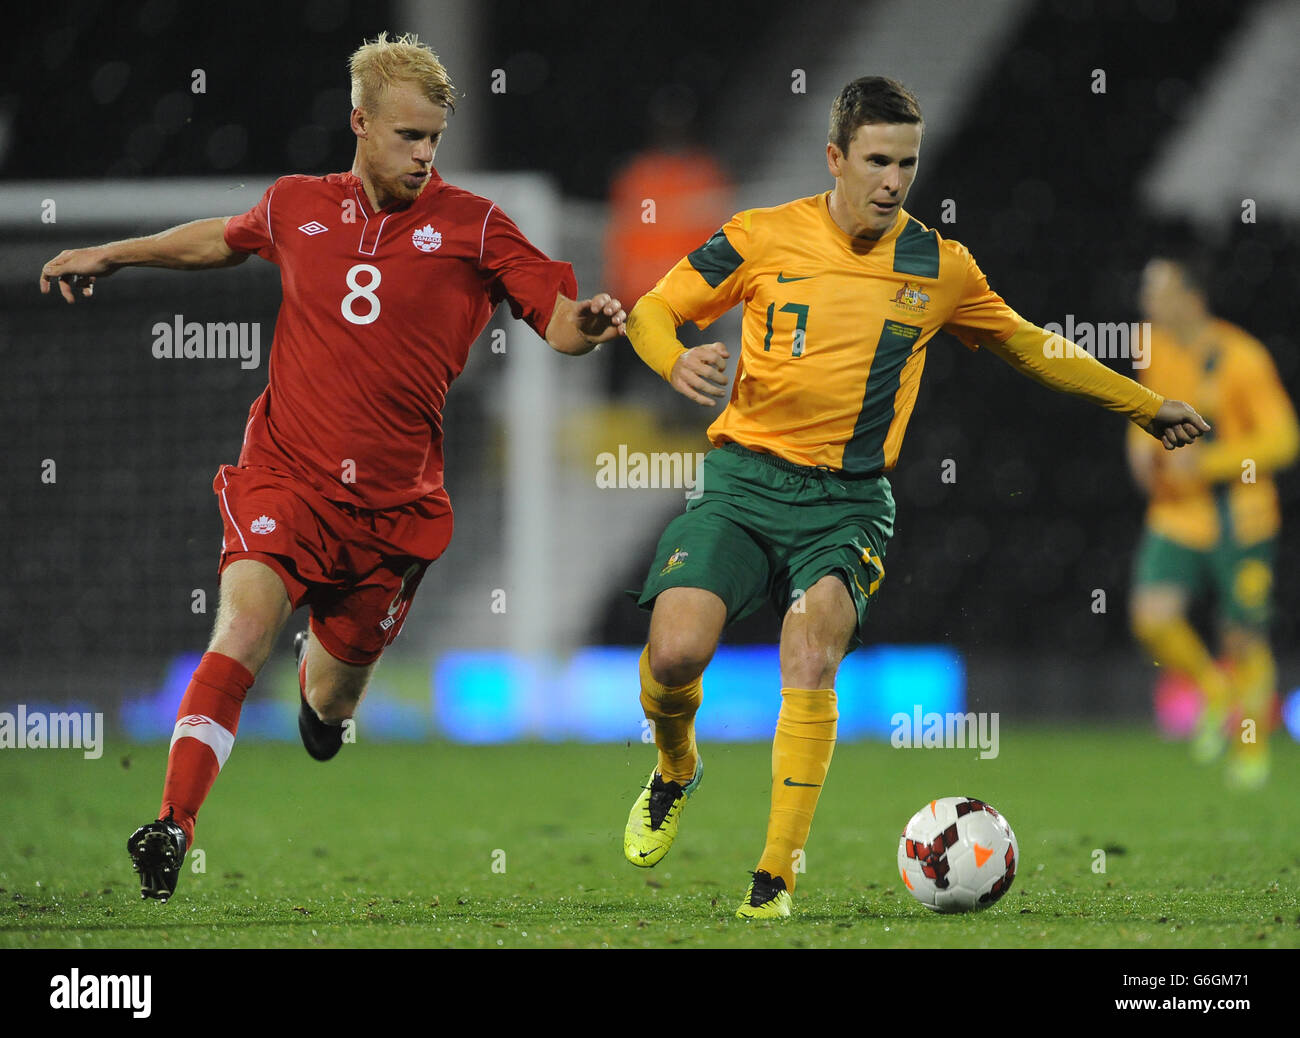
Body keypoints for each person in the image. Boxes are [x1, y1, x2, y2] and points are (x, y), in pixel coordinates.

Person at [39, 32, 626, 902]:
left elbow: (560, 319)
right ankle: (172, 824)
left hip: (395, 512)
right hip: (287, 475)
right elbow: (223, 240)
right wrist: (114, 253)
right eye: (408, 137)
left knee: (333, 701)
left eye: (435, 138)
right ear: (359, 123)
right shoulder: (295, 205)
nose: (426, 155)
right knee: (241, 628)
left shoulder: (477, 227)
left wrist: (594, 321)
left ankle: (322, 710)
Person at [620, 75, 1208, 919]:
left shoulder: (940, 267)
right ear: (835, 158)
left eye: (908, 163)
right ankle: (677, 765)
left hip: (848, 503)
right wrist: (672, 359)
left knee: (810, 657)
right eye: (877, 161)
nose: (894, 181)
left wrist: (1146, 406)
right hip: (742, 481)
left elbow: (1034, 347)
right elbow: (653, 308)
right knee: (675, 655)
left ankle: (774, 877)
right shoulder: (759, 235)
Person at [1128, 254, 1298, 789]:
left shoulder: (1242, 357)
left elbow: (1283, 439)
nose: (1146, 303)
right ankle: (1212, 689)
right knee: (1151, 617)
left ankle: (1250, 749)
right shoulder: (1150, 343)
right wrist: (1138, 443)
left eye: (1158, 292)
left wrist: (1211, 463)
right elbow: (1147, 408)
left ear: (1192, 299)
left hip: (1240, 517)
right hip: (1178, 512)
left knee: (1243, 638)